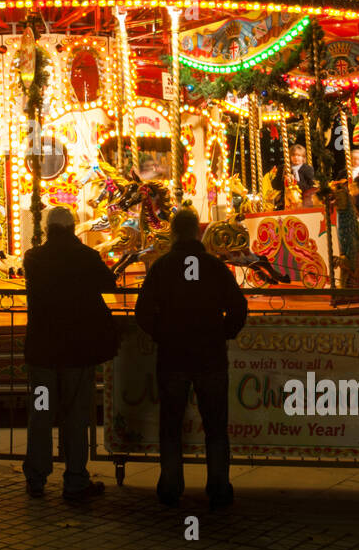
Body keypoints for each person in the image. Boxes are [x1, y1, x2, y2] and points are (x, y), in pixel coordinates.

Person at [135, 206, 248, 509]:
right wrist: (223, 332)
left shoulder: (162, 268)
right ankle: (219, 486)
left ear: (173, 233)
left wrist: (162, 333)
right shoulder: (214, 267)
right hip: (210, 355)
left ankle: (171, 485)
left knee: (171, 423)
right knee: (215, 424)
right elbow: (238, 307)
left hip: (173, 356)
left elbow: (143, 312)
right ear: (198, 232)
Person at [22, 205, 119, 501]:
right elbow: (108, 282)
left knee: (40, 413)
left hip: (43, 353)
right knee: (76, 414)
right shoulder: (86, 257)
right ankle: (75, 479)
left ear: (48, 229)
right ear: (73, 228)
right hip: (76, 351)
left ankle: (36, 478)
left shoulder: (34, 257)